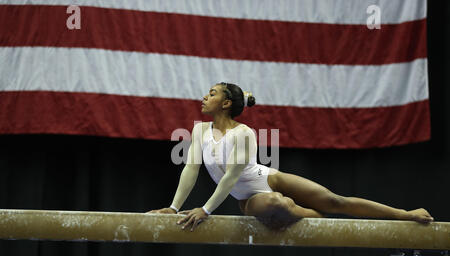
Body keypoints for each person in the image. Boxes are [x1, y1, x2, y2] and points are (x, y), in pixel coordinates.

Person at [147, 82, 434, 231]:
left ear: (225, 103)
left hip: (268, 177)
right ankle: (307, 213)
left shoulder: (244, 133)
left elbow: (233, 175)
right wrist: (174, 208)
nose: (204, 97)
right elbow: (191, 170)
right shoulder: (200, 132)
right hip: (251, 198)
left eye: (211, 94)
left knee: (336, 201)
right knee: (276, 204)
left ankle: (403, 214)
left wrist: (205, 210)